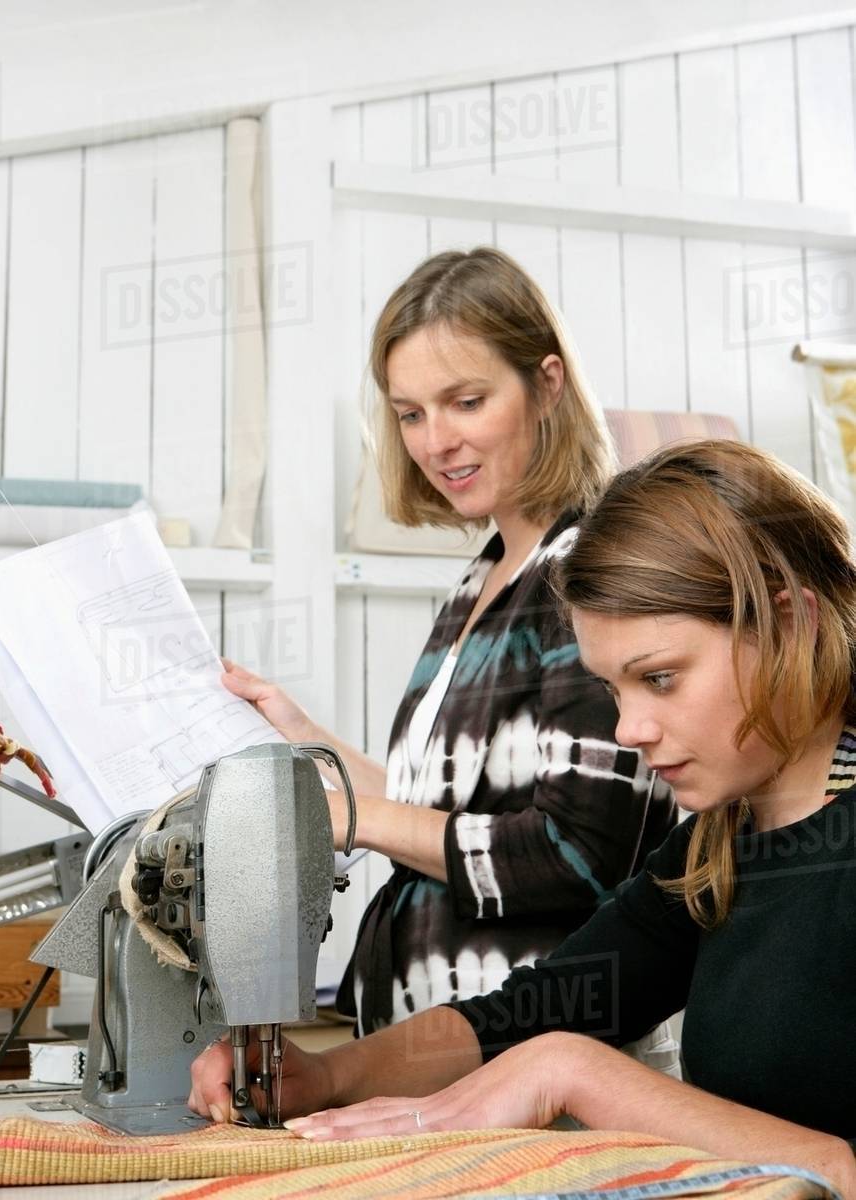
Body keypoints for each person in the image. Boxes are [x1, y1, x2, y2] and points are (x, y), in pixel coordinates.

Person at [190, 437, 856, 1197]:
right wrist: (324, 1075)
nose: (629, 730)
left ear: (791, 623)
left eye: (661, 678)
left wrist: (571, 1073)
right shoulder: (716, 847)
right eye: (613, 691)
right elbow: (540, 1008)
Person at [218, 246, 676, 1039]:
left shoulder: (591, 572)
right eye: (411, 413)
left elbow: (576, 852)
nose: (436, 442)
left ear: (547, 384)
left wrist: (345, 818)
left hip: (543, 1046)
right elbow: (432, 807)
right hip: (435, 1044)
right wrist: (306, 741)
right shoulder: (488, 574)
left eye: (466, 401)